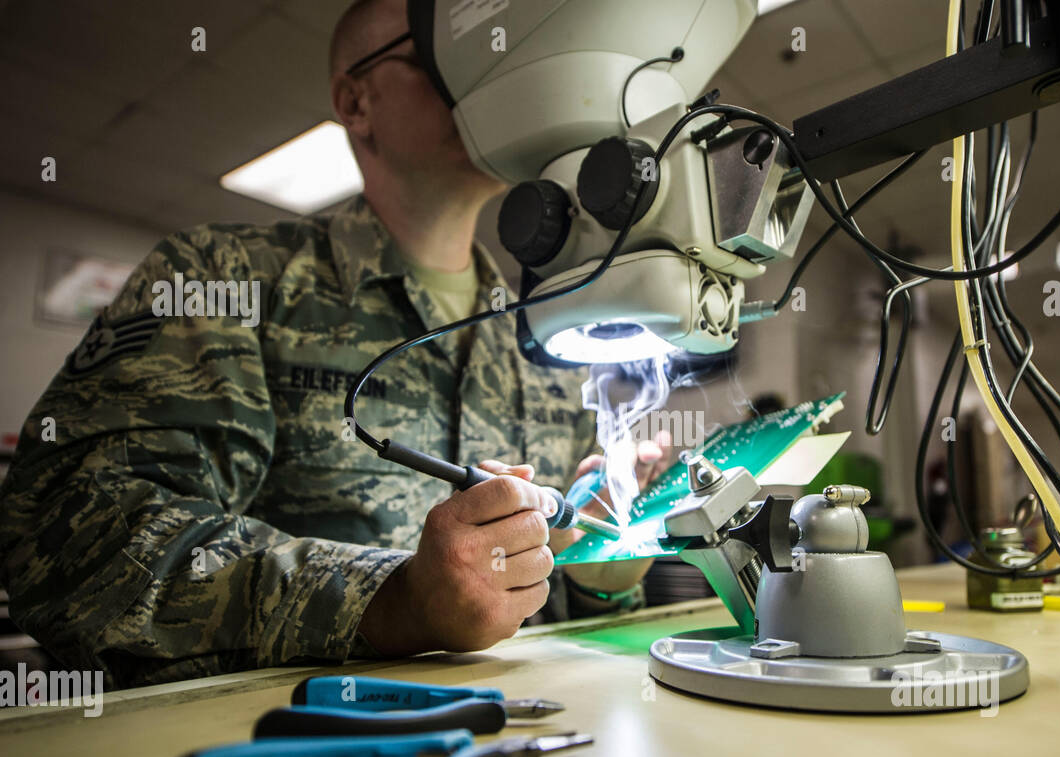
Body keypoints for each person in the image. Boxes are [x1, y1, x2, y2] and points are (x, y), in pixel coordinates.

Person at [0, 0, 662, 690]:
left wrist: (603, 580)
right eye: (440, 52)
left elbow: (563, 617)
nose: (484, 69)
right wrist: (394, 600)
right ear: (356, 101)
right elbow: (72, 545)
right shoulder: (224, 278)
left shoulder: (548, 339)